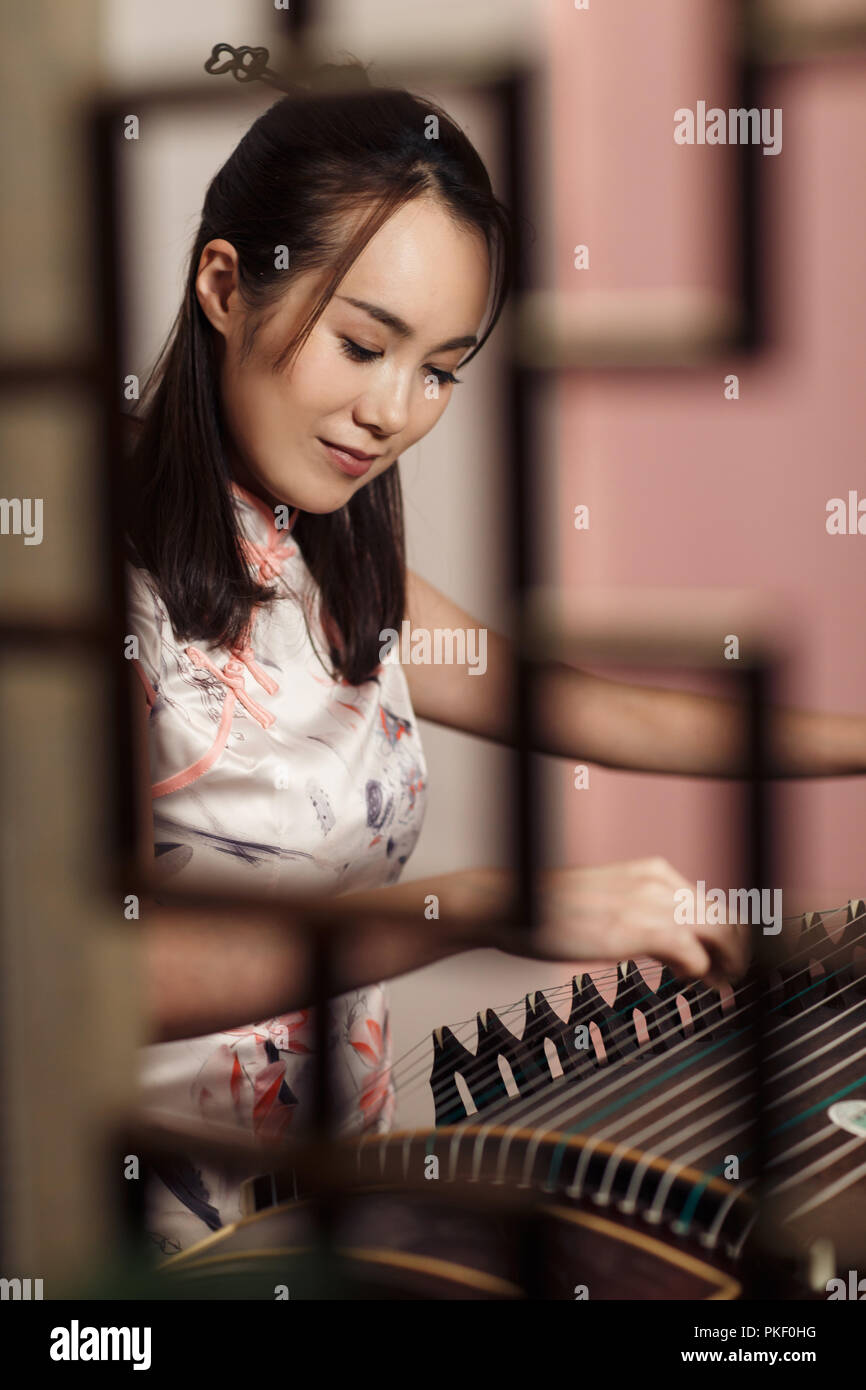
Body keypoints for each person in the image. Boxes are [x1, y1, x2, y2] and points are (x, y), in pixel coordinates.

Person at [125, 60, 866, 1259]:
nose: (392, 412)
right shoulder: (94, 591)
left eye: (438, 370)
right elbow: (91, 973)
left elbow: (580, 708)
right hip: (155, 1237)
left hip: (336, 1201)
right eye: (363, 343)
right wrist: (478, 904)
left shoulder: (327, 561)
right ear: (224, 283)